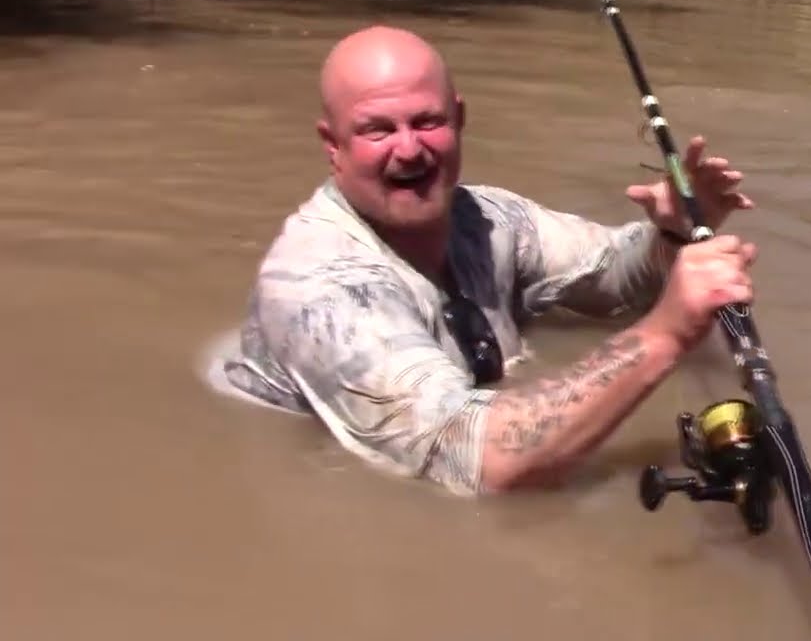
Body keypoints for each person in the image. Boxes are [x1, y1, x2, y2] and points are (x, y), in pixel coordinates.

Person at [216, 25, 757, 495]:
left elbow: (612, 274)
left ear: (459, 118)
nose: (409, 150)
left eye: (427, 121)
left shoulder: (487, 218)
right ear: (332, 145)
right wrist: (663, 335)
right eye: (377, 129)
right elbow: (477, 459)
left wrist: (672, 233)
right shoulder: (319, 289)